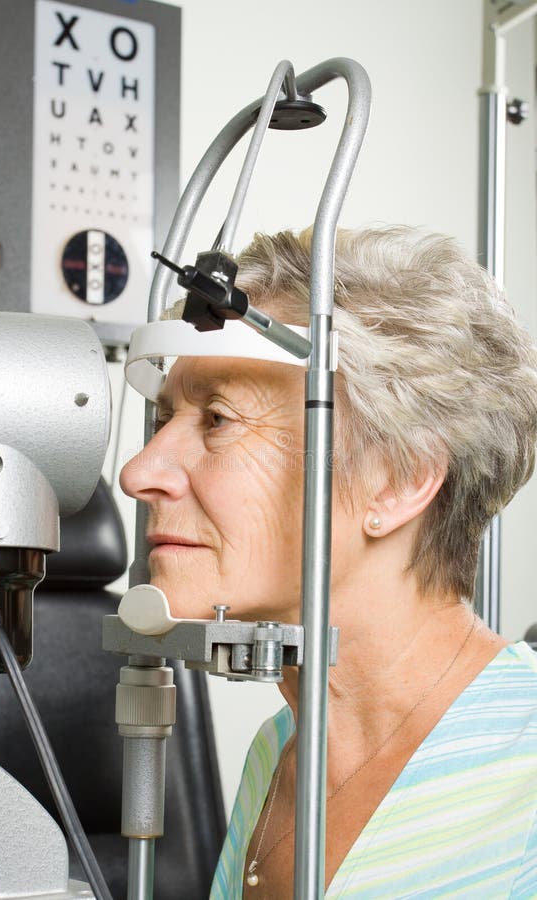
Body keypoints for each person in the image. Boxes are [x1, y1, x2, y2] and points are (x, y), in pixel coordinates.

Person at [120, 225, 537, 898]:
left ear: (397, 479)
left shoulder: (526, 773)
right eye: (165, 418)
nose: (140, 472)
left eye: (218, 419)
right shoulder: (279, 753)